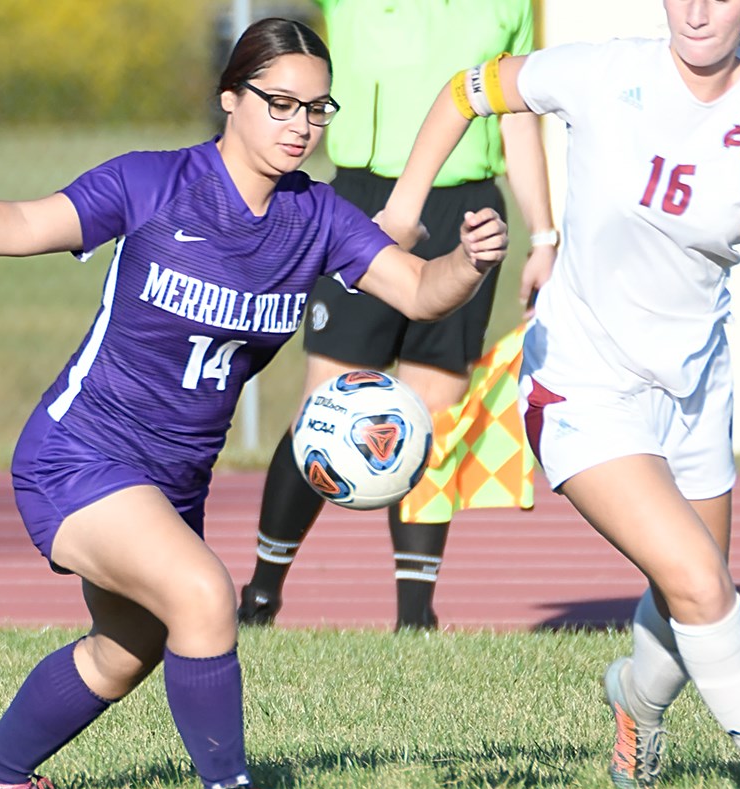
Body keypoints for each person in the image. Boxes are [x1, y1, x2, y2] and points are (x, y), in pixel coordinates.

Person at [0, 17, 507, 789]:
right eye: (279, 103)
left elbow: (422, 292)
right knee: (202, 594)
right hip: (79, 453)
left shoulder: (317, 217)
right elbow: (26, 220)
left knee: (123, 652)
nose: (299, 125)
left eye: (316, 109)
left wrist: (467, 260)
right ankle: (231, 787)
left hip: (172, 481)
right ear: (231, 97)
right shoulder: (153, 182)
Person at [381, 0, 740, 789]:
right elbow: (467, 89)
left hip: (695, 387)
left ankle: (633, 701)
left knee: (687, 595)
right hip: (580, 380)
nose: (697, 9)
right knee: (705, 586)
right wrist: (401, 208)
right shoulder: (603, 72)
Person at [236, 0, 556, 631]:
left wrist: (543, 236)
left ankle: (416, 617)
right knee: (324, 407)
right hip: (365, 203)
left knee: (433, 415)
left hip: (465, 211)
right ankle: (262, 593)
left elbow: (519, 124)